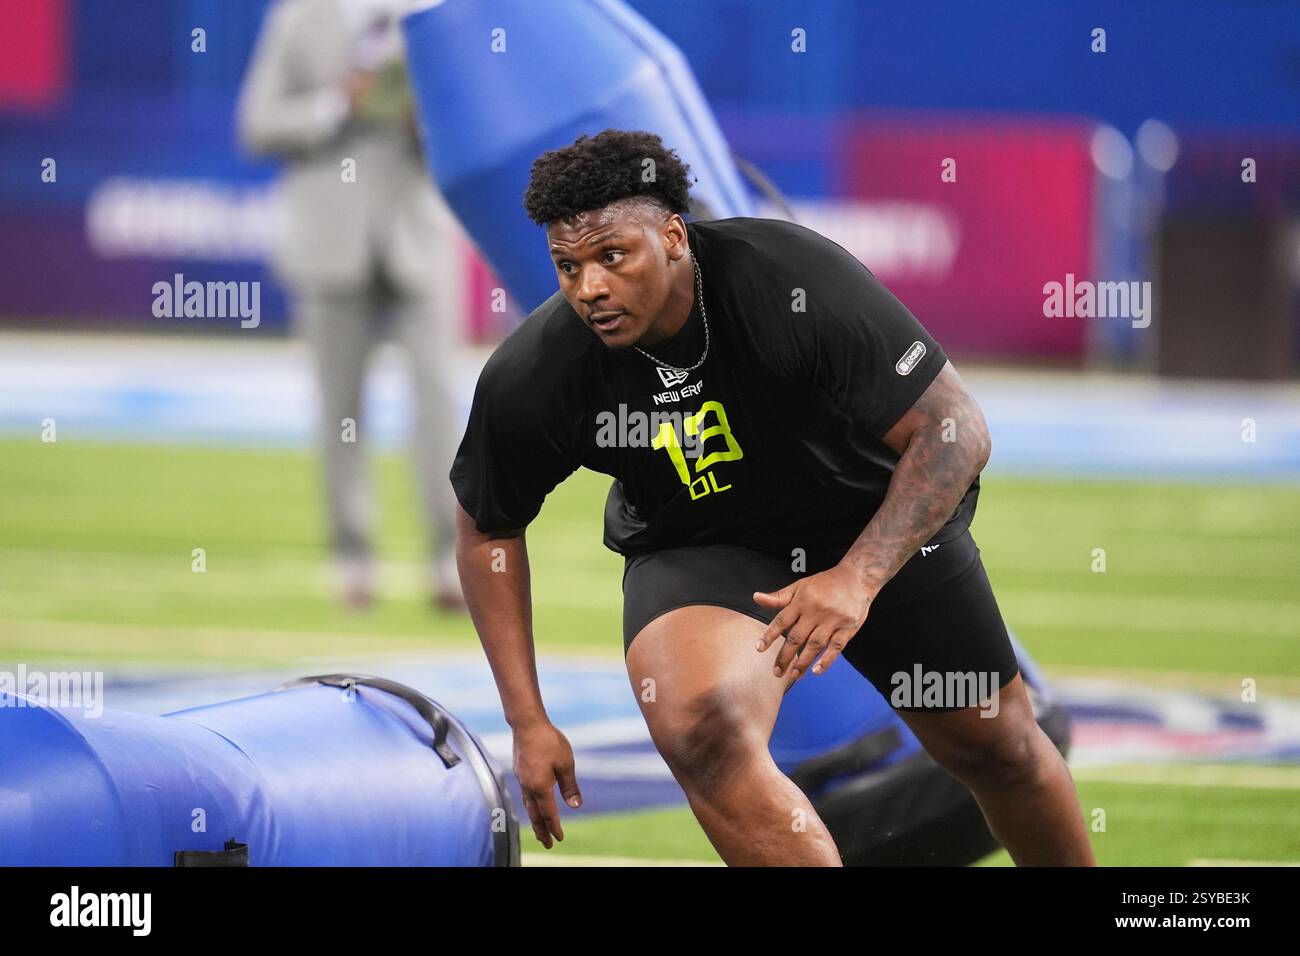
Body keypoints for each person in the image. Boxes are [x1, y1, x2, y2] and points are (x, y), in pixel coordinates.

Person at [451, 129, 1095, 865]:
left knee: (1000, 749)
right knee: (700, 728)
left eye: (611, 256)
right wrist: (527, 719)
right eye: (568, 266)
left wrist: (856, 578)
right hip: (704, 547)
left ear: (671, 236)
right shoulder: (543, 369)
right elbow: (486, 527)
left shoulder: (789, 279)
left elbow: (954, 429)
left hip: (872, 518)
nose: (589, 288)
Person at [236, 0, 465, 610]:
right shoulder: (298, 17)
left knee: (439, 401)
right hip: (328, 240)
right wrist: (339, 104)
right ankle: (352, 560)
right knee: (339, 407)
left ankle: (449, 558)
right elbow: (256, 123)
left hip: (417, 235)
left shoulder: (432, 18)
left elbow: (471, 128)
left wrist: (427, 117)